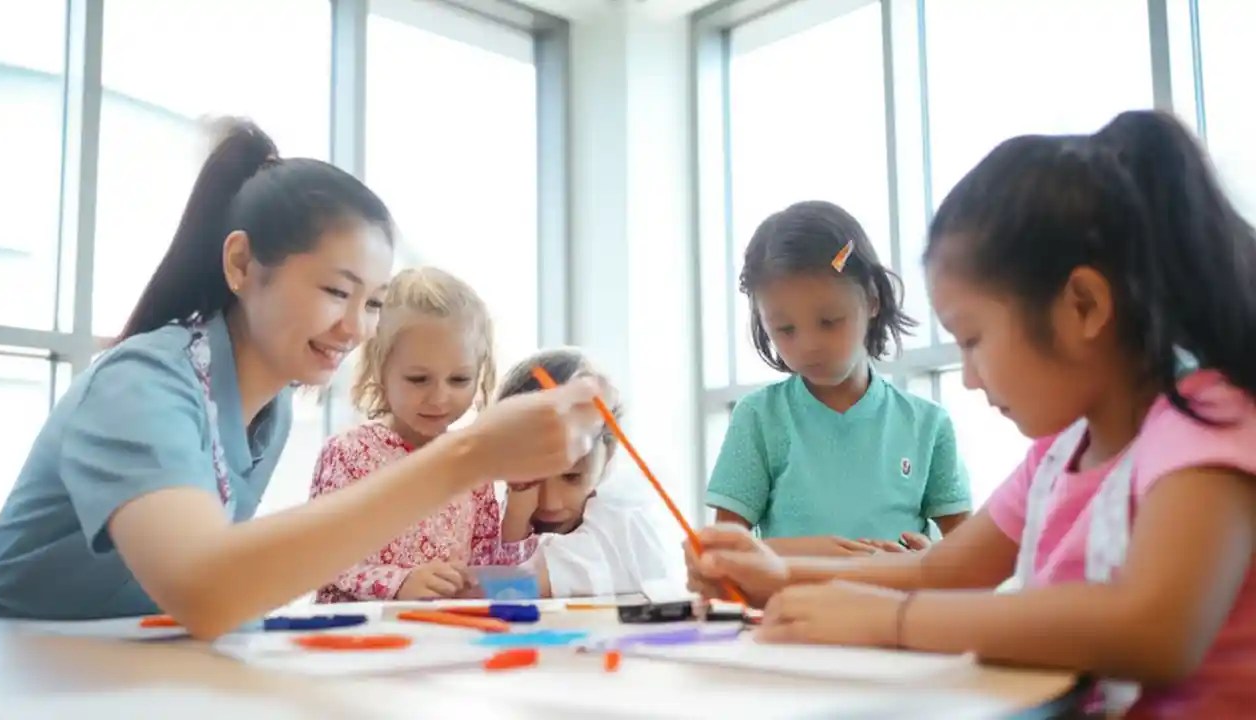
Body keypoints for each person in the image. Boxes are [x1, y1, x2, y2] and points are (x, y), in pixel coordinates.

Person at [686, 111, 1256, 718]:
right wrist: (777, 574)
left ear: (1083, 306)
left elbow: (1153, 628)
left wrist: (894, 620)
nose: (969, 377)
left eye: (974, 339)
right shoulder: (1060, 454)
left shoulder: (1205, 425)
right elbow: (945, 569)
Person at [0, 120, 602, 639]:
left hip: (124, 662)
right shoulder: (141, 387)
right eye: (336, 291)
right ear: (241, 264)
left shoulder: (266, 413)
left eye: (374, 303)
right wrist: (468, 456)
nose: (356, 328)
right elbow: (206, 589)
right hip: (14, 663)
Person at [707, 201, 971, 554]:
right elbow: (726, 551)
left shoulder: (927, 425)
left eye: (829, 321)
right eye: (785, 329)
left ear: (873, 300)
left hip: (900, 592)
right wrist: (815, 552)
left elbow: (969, 555)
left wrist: (928, 563)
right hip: (794, 593)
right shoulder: (759, 418)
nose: (809, 345)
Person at [310, 267, 535, 602]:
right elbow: (320, 556)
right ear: (379, 369)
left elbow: (486, 570)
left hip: (439, 630)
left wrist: (519, 506)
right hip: (357, 630)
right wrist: (399, 583)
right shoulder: (349, 452)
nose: (439, 398)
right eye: (418, 379)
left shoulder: (472, 464)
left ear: (480, 374)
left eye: (459, 380)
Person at [497, 349, 682, 597]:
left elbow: (513, 586)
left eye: (572, 477)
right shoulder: (491, 511)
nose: (551, 503)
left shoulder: (623, 519)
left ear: (609, 451)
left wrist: (515, 524)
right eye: (532, 480)